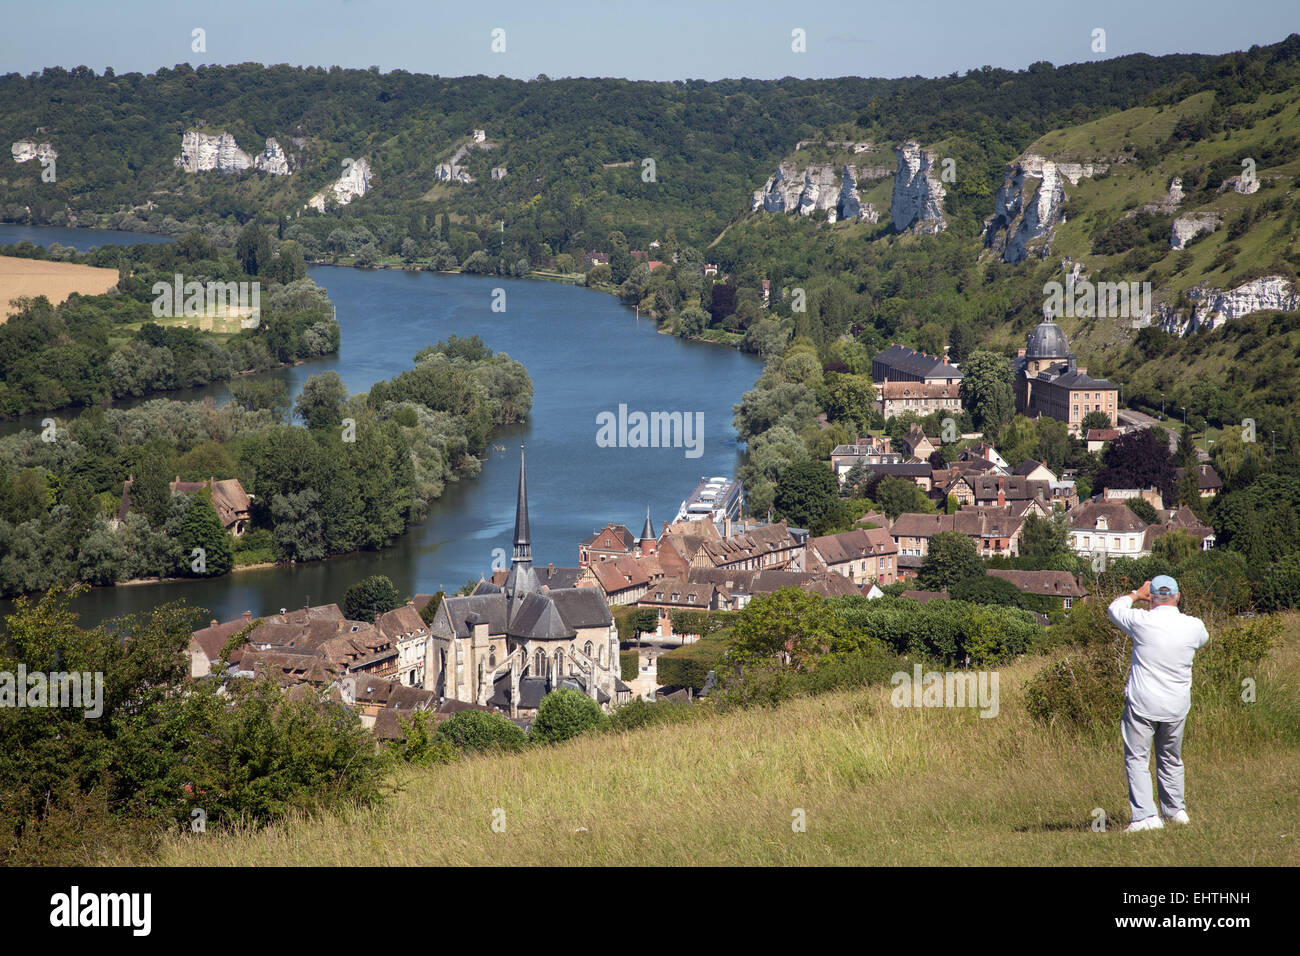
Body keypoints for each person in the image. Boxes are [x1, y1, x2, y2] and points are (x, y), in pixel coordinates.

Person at [1107, 576, 1210, 832]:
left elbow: (1114, 609)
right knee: (1170, 758)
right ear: (1177, 596)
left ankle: (1145, 817)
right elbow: (1202, 640)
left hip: (1143, 702)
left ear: (1151, 597)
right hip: (1176, 704)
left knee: (1137, 759)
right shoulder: (1194, 626)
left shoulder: (1142, 621)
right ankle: (1175, 811)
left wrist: (1135, 594)